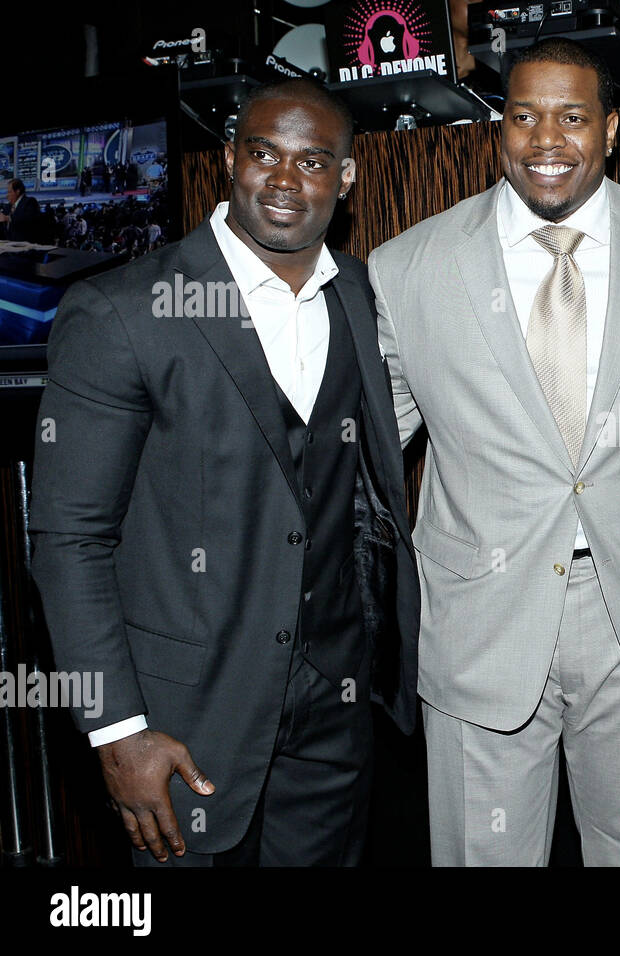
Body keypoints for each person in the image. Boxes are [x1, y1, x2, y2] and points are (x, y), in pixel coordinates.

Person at [30, 78, 420, 866]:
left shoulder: (359, 295)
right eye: (262, 152)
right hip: (185, 722)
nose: (283, 180)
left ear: (344, 180)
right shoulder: (124, 311)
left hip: (334, 719)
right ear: (229, 160)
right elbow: (68, 539)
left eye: (313, 160)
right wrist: (118, 729)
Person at [368, 38, 620, 866]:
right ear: (499, 126)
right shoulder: (406, 269)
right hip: (479, 622)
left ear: (610, 131)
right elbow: (363, 456)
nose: (546, 140)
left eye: (572, 117)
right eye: (524, 116)